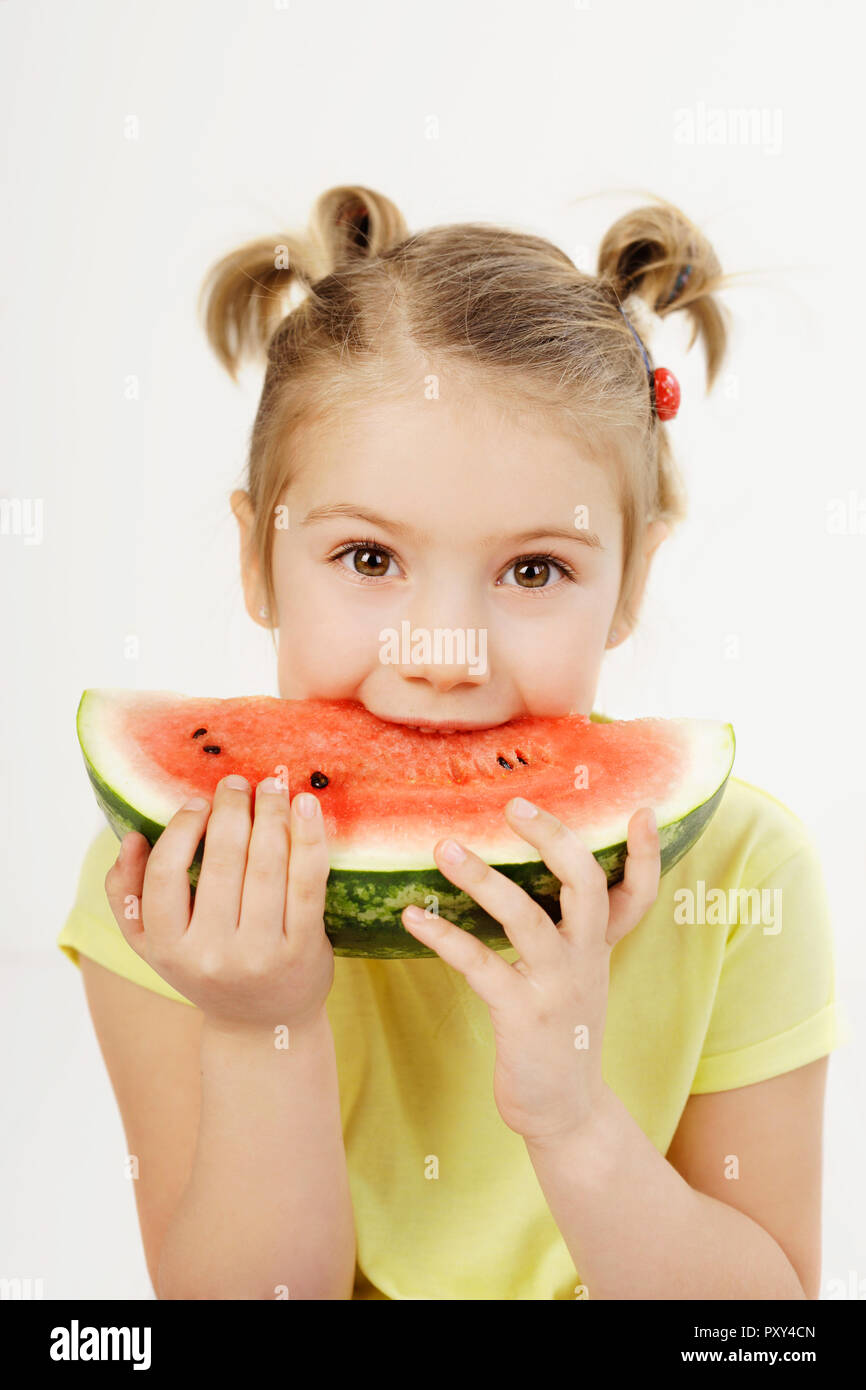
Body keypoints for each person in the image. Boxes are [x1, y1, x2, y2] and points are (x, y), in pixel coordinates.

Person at [58, 185, 844, 1300]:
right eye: (369, 559)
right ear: (255, 559)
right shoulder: (167, 883)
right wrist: (257, 1028)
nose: (443, 649)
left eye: (534, 570)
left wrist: (572, 1121)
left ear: (631, 582)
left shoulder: (739, 874)